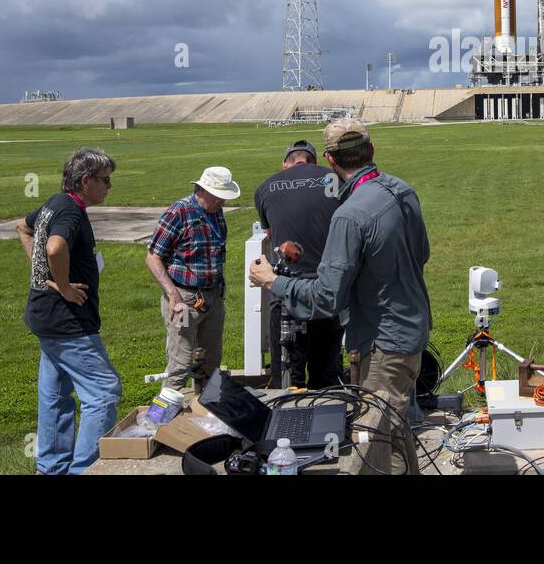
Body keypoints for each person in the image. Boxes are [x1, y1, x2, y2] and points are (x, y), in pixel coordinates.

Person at [250, 118, 431, 475]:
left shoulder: (349, 216)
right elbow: (420, 253)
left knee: (371, 438)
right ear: (372, 149)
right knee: (394, 429)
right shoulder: (402, 190)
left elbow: (326, 298)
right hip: (412, 330)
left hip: (383, 345)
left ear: (331, 160)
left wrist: (273, 281)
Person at [15, 147, 123, 475]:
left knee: (56, 395)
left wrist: (41, 273)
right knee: (104, 391)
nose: (109, 186)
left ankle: (50, 469)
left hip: (45, 318)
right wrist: (61, 284)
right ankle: (84, 470)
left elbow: (23, 227)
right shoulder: (71, 212)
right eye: (105, 180)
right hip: (68, 321)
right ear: (85, 181)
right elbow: (54, 247)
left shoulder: (55, 202)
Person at [253, 139, 343, 389]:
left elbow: (270, 234)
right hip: (326, 288)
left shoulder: (264, 188)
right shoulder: (334, 179)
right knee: (325, 370)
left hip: (284, 289)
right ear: (314, 162)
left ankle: (288, 421)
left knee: (287, 373)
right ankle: (326, 417)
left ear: (286, 164)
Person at [146, 166, 241, 394]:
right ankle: (163, 421)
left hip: (213, 297)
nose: (223, 203)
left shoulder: (216, 212)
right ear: (202, 191)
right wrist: (173, 295)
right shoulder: (178, 213)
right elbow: (152, 257)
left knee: (211, 361)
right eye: (219, 197)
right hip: (185, 299)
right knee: (180, 363)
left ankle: (207, 416)